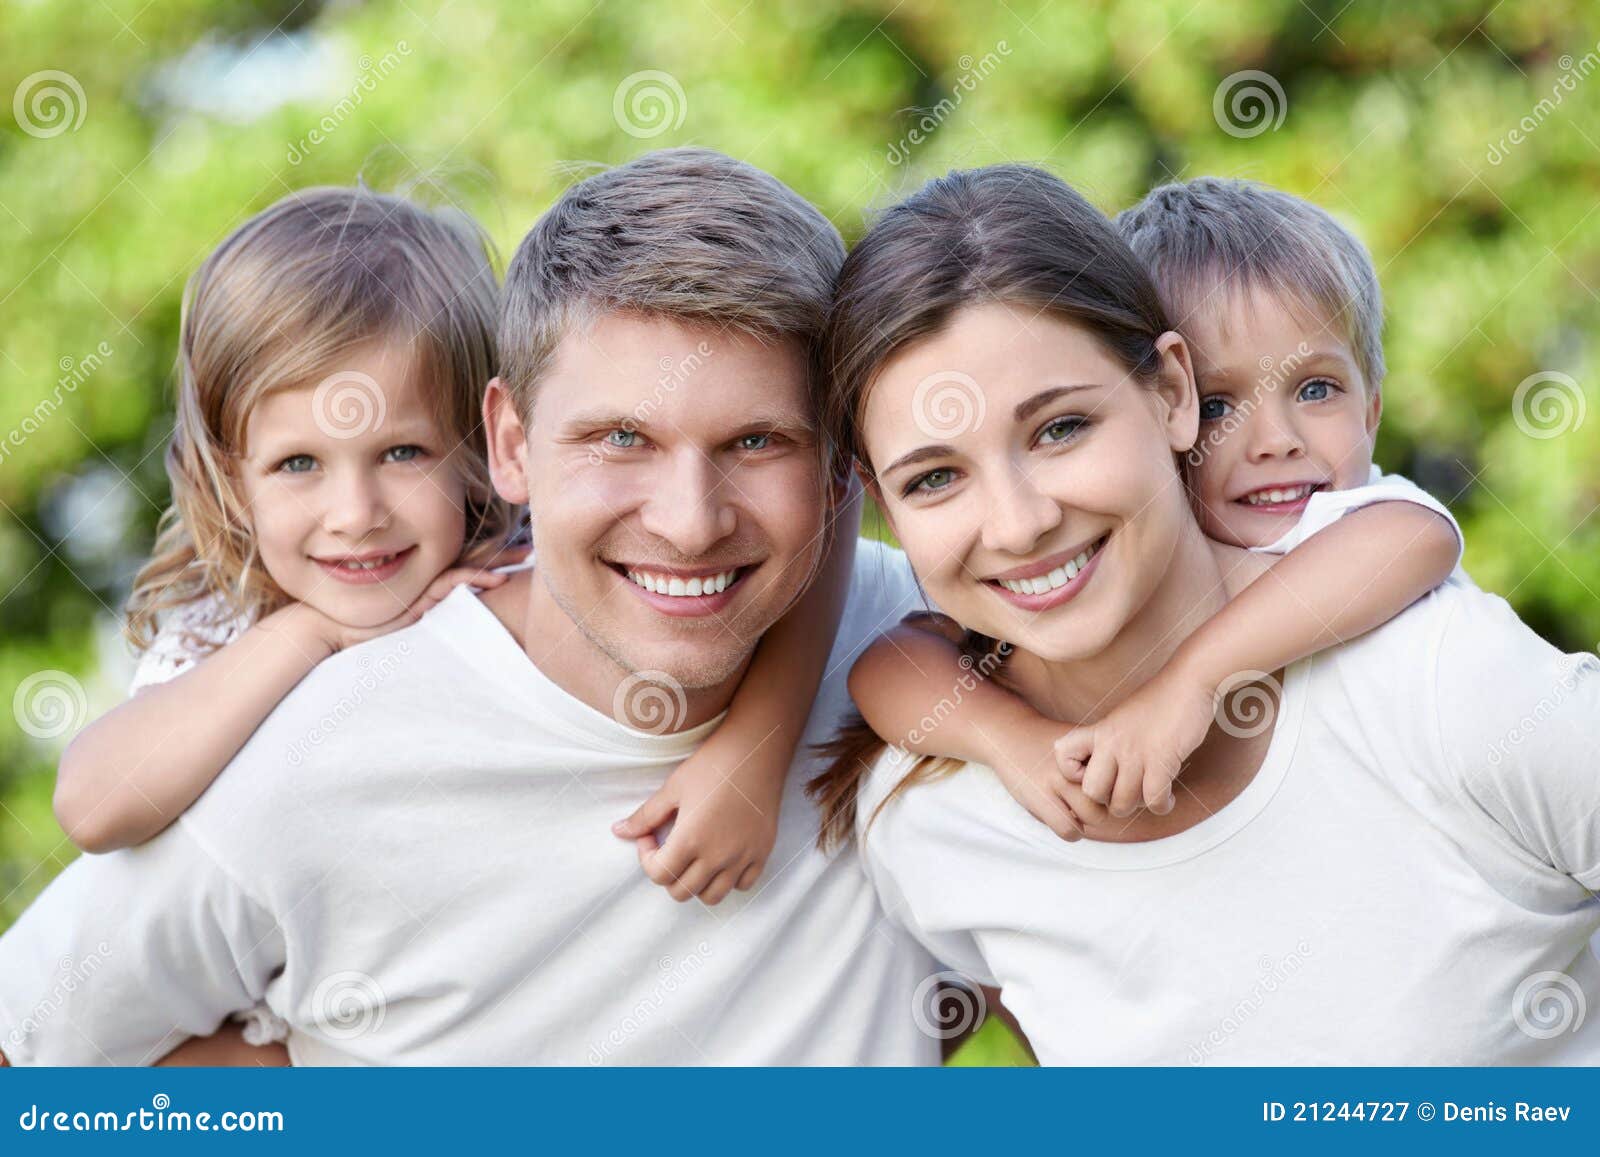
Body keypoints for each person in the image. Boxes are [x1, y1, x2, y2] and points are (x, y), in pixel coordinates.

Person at [0, 149, 941, 1066]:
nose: (690, 524)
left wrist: (759, 744)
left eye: (758, 441)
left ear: (835, 460)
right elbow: (32, 1044)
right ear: (511, 441)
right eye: (621, 437)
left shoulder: (934, 644)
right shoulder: (303, 743)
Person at [810, 164, 1600, 1064]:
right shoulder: (933, 820)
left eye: (1061, 427)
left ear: (1172, 393)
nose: (1020, 522)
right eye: (935, 477)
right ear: (882, 502)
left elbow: (1414, 533)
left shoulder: (1439, 679)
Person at [844, 176, 1465, 833]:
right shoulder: (927, 829)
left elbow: (1417, 537)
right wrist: (1010, 739)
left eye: (1316, 388)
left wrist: (1192, 682)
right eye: (1223, 406)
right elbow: (888, 664)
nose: (1275, 442)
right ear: (1182, 403)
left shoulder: (1408, 614)